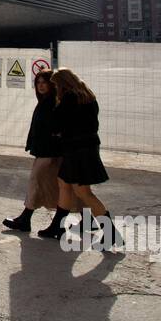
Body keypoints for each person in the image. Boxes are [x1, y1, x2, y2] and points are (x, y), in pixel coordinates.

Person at [42, 68, 119, 247]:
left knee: (84, 192)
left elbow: (55, 123)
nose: (55, 89)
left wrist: (56, 106)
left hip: (77, 150)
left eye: (56, 86)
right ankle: (57, 226)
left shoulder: (69, 98)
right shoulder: (88, 97)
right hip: (87, 147)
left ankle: (111, 233)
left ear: (62, 84)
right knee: (64, 183)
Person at [3, 69, 78, 231]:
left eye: (44, 82)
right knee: (64, 188)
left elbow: (55, 126)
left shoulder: (53, 101)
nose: (41, 86)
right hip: (47, 151)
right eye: (38, 83)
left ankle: (25, 218)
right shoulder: (45, 101)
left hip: (50, 152)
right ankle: (87, 218)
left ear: (52, 84)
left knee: (36, 182)